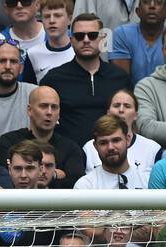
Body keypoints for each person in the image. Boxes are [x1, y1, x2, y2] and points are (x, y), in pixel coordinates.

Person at [44, 13, 131, 148]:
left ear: (102, 39)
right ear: (71, 40)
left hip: (111, 153)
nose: (86, 40)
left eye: (92, 35)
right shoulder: (54, 79)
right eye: (79, 36)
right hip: (68, 157)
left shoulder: (120, 78)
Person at [0, 86, 86, 188]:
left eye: (54, 107)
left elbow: (75, 185)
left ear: (59, 113)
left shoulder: (70, 148)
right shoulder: (8, 142)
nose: (49, 112)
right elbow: (3, 179)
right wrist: (53, 175)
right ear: (30, 110)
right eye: (43, 106)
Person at [109, 0, 166, 84]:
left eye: (158, 2)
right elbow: (122, 81)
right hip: (131, 95)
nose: (152, 6)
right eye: (146, 2)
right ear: (137, 11)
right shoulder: (122, 34)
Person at [19, 0, 74, 82]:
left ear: (70, 19)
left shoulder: (79, 50)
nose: (52, 21)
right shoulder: (33, 54)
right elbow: (29, 90)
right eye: (47, 16)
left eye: (57, 15)